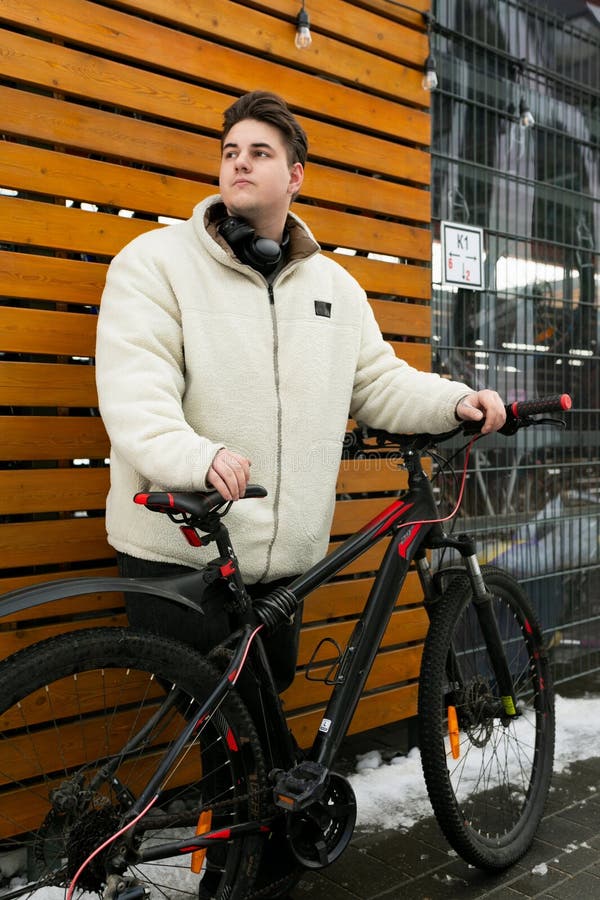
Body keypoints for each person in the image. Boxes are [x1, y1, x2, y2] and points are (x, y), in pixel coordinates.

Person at [95, 88, 505, 899]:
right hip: (184, 553)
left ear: (297, 176)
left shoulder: (333, 288)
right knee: (241, 750)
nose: (239, 162)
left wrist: (454, 401)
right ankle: (242, 876)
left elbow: (380, 384)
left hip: (283, 568)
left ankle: (247, 865)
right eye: (230, 151)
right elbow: (136, 388)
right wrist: (196, 455)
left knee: (255, 741)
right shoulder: (156, 263)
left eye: (259, 152)